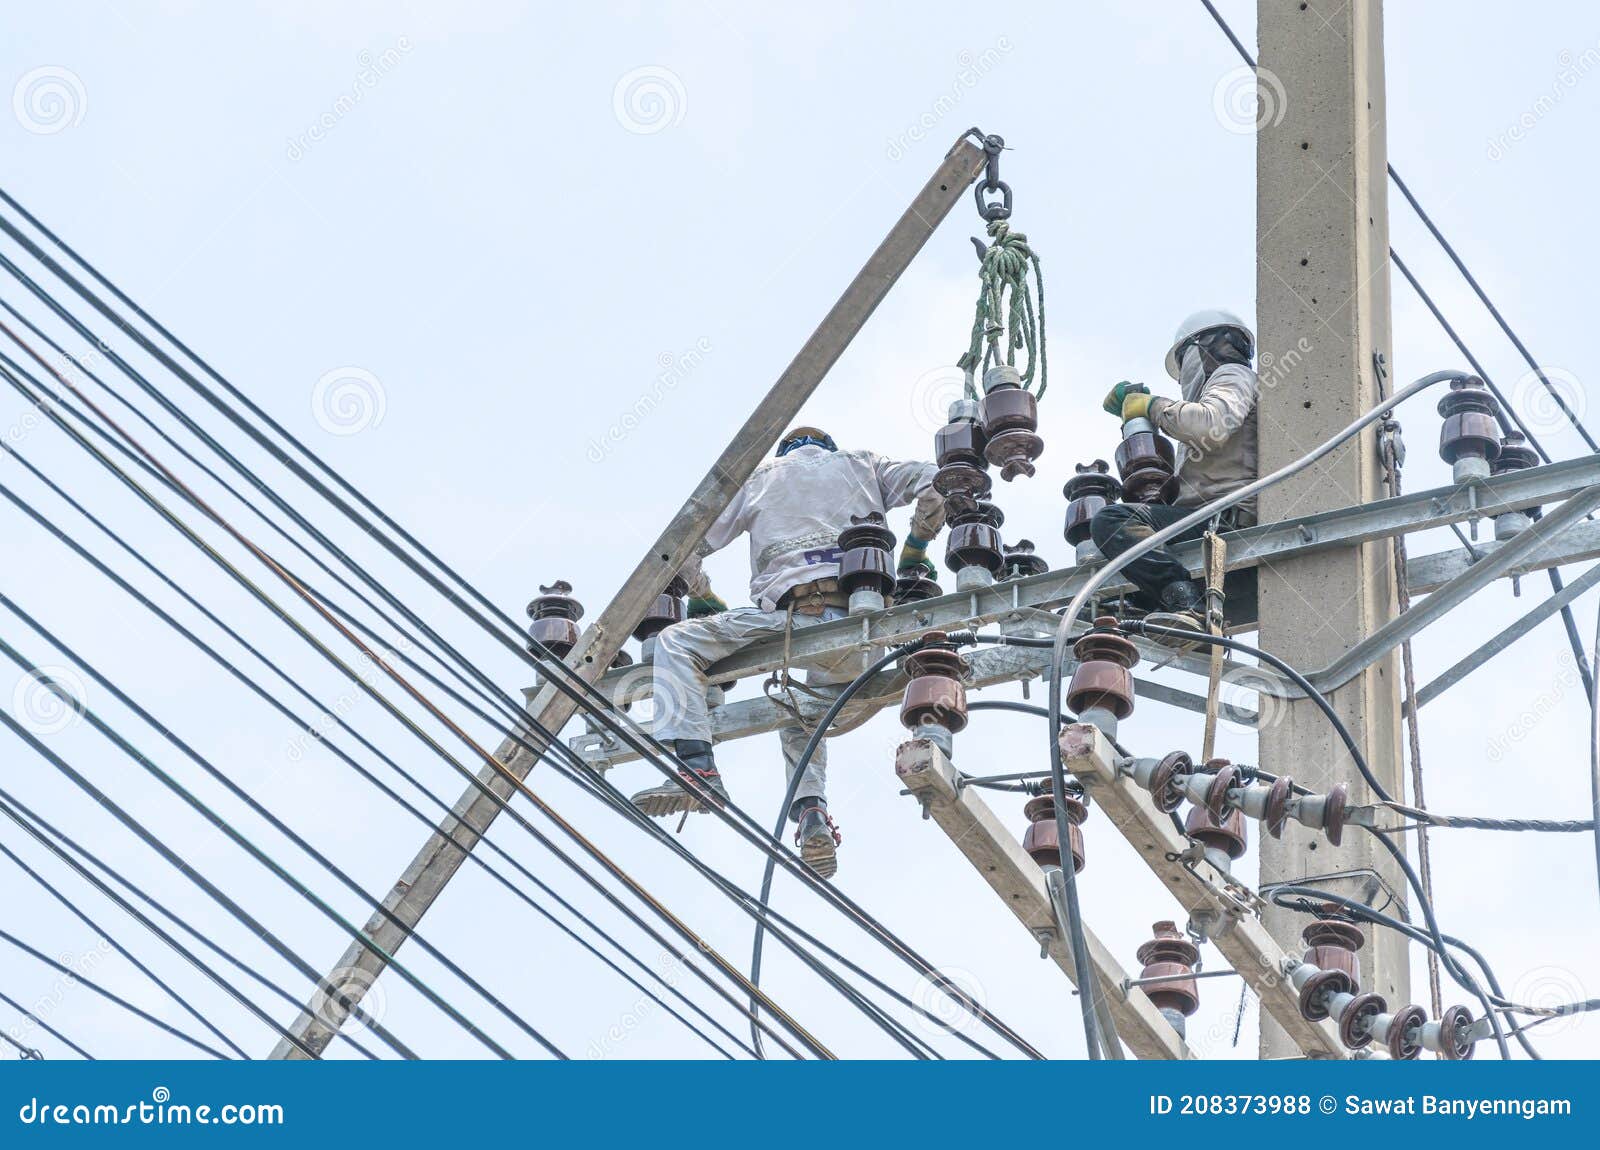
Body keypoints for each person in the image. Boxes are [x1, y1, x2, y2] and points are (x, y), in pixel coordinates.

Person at [630, 426, 946, 880]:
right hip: (864, 619)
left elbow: (680, 550)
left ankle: (697, 768)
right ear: (827, 447)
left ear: (785, 451)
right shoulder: (862, 464)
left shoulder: (760, 478)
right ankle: (811, 812)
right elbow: (938, 481)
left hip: (788, 622)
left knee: (675, 643)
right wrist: (917, 544)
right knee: (797, 706)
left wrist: (704, 596)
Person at [1089, 308, 1259, 631]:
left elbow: (1213, 423)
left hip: (1224, 521)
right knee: (1131, 546)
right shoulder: (1220, 393)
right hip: (1207, 521)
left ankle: (1184, 600)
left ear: (1199, 349)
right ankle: (1165, 601)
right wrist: (1139, 424)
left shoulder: (1232, 376)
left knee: (1112, 521)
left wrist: (1152, 407)